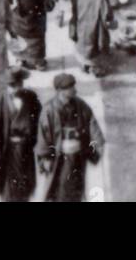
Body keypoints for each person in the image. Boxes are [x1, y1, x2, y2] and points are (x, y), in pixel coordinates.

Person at [36, 72, 104, 202]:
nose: (74, 90)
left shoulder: (80, 105)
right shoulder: (49, 109)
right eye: (70, 88)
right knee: (60, 189)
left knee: (76, 188)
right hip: (60, 157)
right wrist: (45, 157)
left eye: (73, 86)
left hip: (77, 156)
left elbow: (92, 124)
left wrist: (97, 144)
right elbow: (43, 135)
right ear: (60, 91)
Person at [0, 68, 41, 202]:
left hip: (25, 147)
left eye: (17, 84)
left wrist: (39, 142)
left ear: (22, 83)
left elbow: (39, 120)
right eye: (11, 85)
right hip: (7, 148)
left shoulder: (31, 97)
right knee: (7, 184)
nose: (14, 88)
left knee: (25, 181)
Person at [71, 0, 116, 77]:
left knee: (83, 49)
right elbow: (109, 17)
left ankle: (85, 65)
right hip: (95, 33)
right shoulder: (101, 0)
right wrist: (107, 0)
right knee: (96, 49)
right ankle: (96, 69)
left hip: (80, 31)